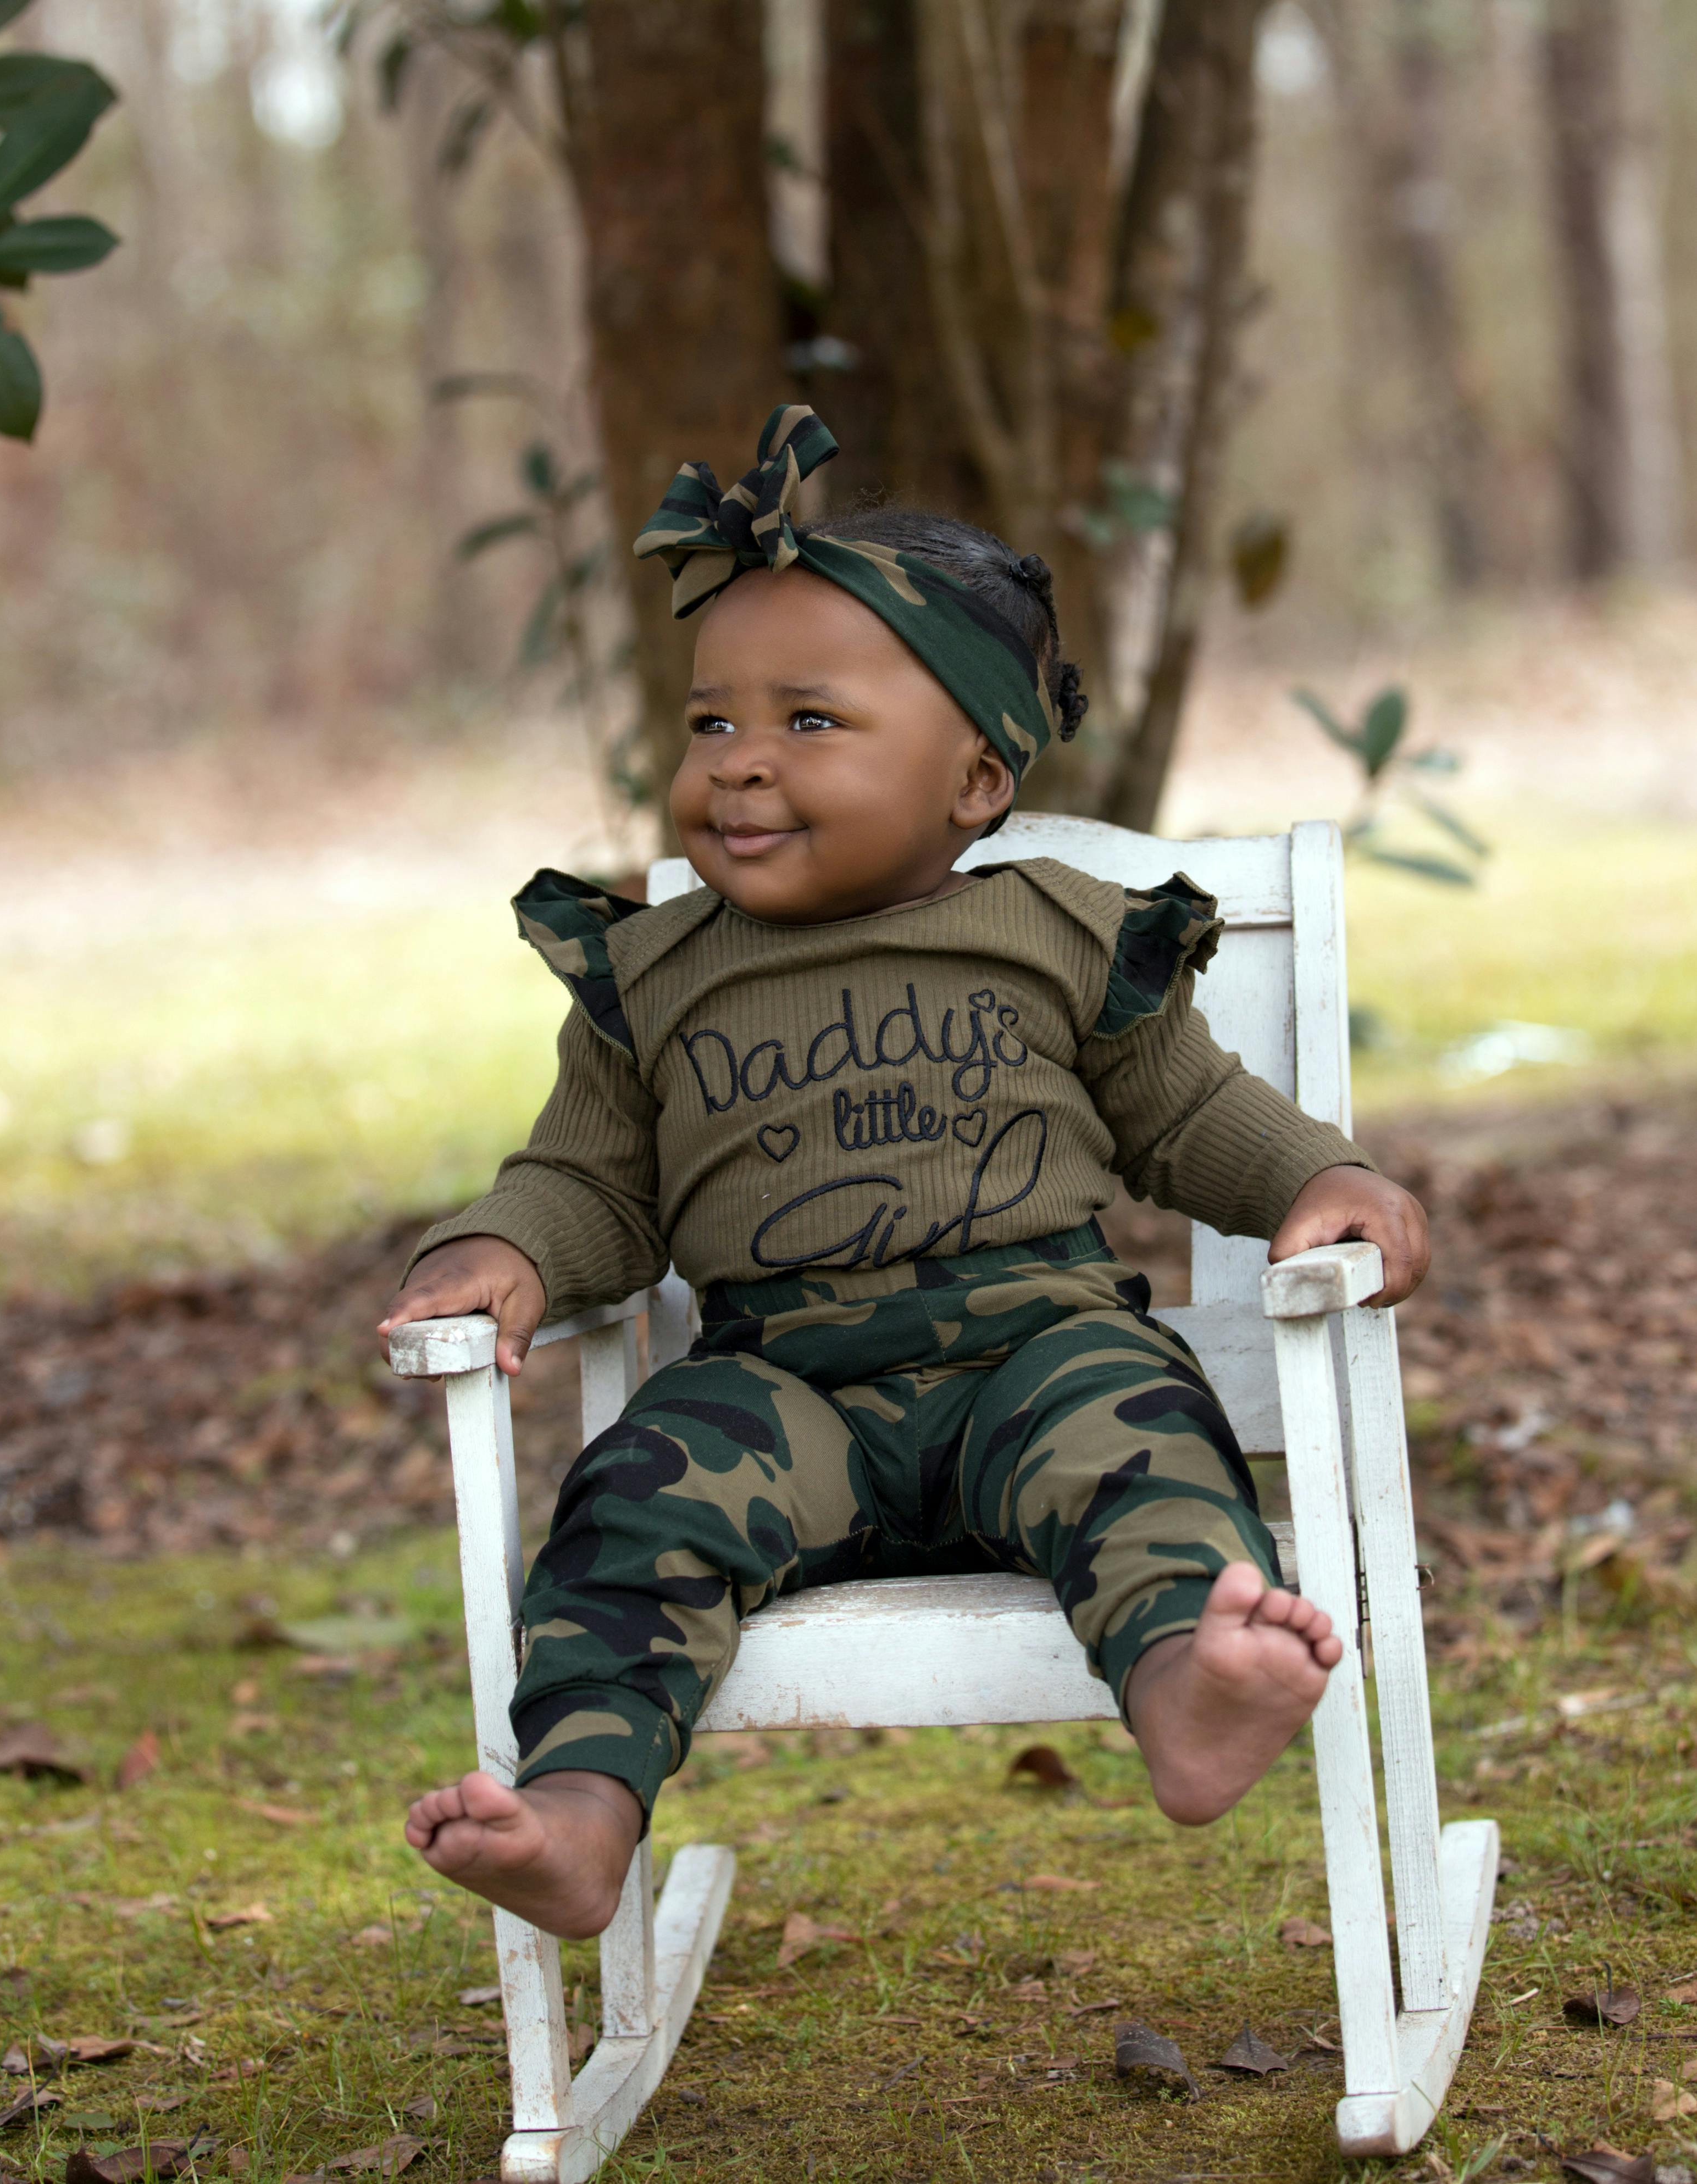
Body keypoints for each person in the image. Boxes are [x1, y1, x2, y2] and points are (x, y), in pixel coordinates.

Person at [379, 407, 1430, 1943]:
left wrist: (1313, 1178)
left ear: (974, 784)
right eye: (710, 723)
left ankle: (1188, 1687)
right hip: (784, 1389)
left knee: (1139, 1450)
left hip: (1034, 1347)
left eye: (808, 724)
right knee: (634, 1505)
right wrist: (506, 1250)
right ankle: (578, 1815)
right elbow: (593, 1184)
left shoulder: (1056, 933)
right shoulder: (655, 971)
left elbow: (1181, 1107)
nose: (738, 769)